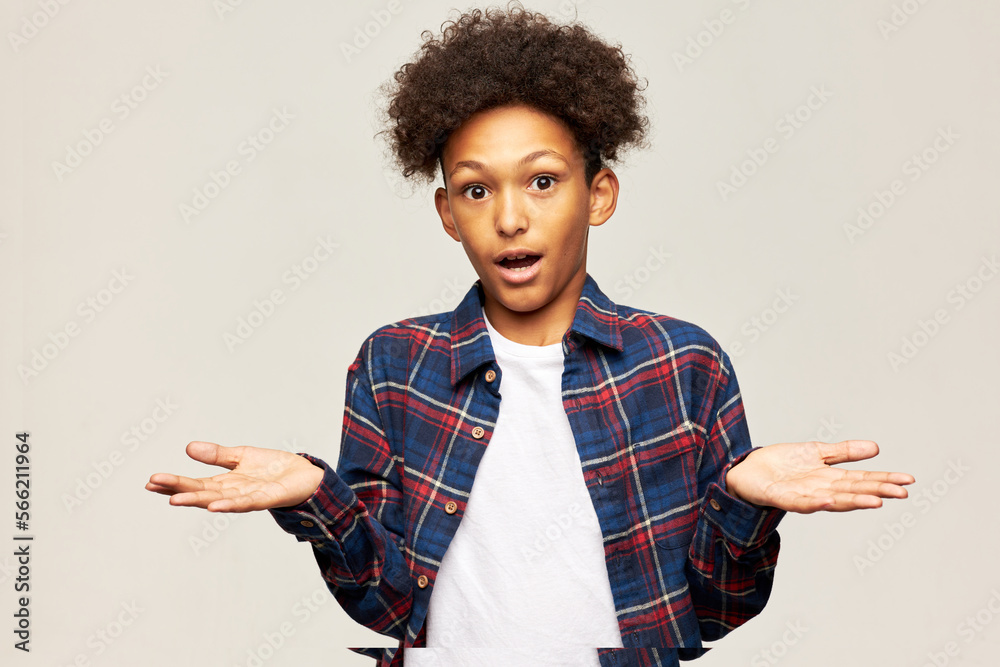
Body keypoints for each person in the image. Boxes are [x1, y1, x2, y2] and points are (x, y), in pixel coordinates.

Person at [145, 4, 915, 666]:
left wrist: (745, 499)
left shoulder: (683, 363)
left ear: (598, 193)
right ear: (448, 214)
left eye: (542, 181)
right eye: (477, 189)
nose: (510, 217)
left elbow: (714, 611)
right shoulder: (394, 365)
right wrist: (319, 496)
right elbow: (385, 603)